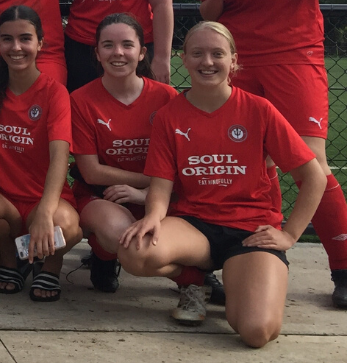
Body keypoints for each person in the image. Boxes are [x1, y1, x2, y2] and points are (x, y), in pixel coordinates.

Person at [196, 0, 347, 308]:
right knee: (240, 167)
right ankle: (235, 262)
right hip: (238, 64)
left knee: (310, 162)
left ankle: (342, 267)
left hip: (293, 56)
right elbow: (206, 10)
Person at [119, 21, 327, 347]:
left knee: (256, 331)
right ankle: (197, 276)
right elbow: (160, 186)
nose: (207, 62)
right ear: (183, 59)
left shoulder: (259, 109)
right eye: (197, 53)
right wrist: (152, 217)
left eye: (218, 54)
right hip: (196, 227)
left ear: (233, 61)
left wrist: (289, 234)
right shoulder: (169, 115)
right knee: (135, 251)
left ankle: (241, 279)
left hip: (250, 231)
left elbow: (313, 176)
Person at [0, 5, 81, 302]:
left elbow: (59, 157)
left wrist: (45, 210)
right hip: (6, 199)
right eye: (7, 39)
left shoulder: (54, 92)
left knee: (66, 226)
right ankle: (10, 257)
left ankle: (49, 264)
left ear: (40, 43)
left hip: (47, 195)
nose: (16, 47)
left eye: (25, 39)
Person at [70, 13, 177, 293]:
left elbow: (181, 164)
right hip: (104, 193)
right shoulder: (80, 100)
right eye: (108, 45)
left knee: (189, 223)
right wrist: (147, 181)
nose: (118, 53)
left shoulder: (167, 98)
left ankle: (193, 277)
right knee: (126, 240)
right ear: (97, 53)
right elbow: (92, 171)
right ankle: (104, 256)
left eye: (127, 45)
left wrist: (146, 192)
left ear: (142, 53)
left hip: (159, 193)